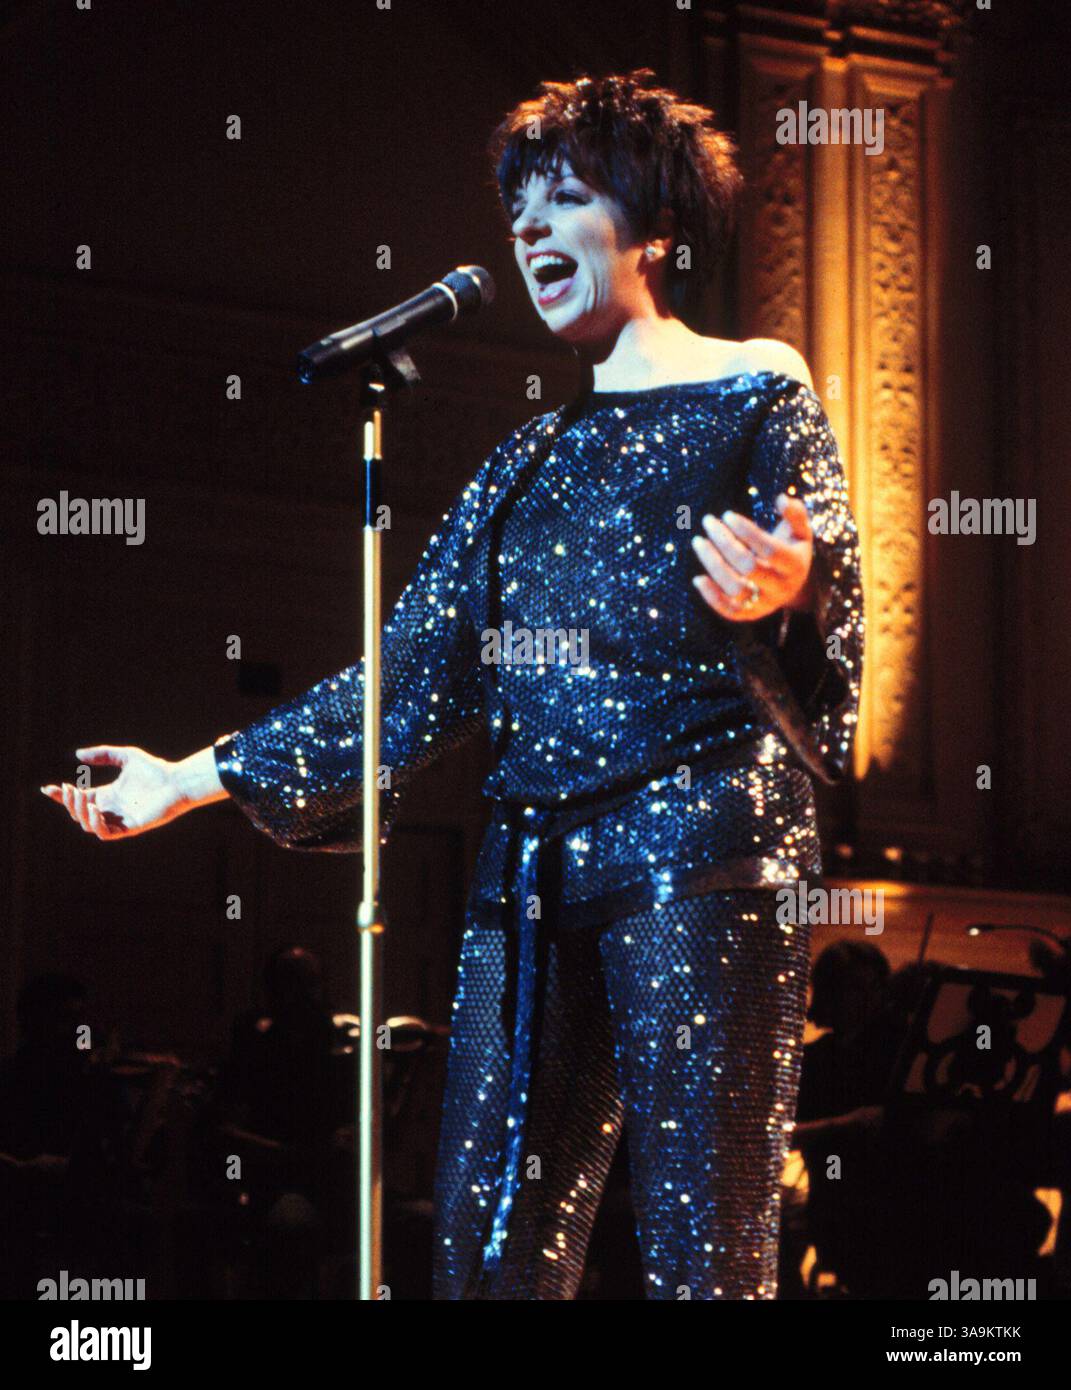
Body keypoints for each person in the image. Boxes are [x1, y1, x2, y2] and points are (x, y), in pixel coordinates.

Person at [42, 70, 864, 1299]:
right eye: (517, 210)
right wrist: (187, 779)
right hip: (531, 858)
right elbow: (408, 673)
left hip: (701, 839)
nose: (530, 231)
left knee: (706, 1237)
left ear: (654, 228)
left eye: (567, 199)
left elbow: (833, 596)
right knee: (489, 1237)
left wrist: (787, 594)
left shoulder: (759, 381)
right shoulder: (521, 468)